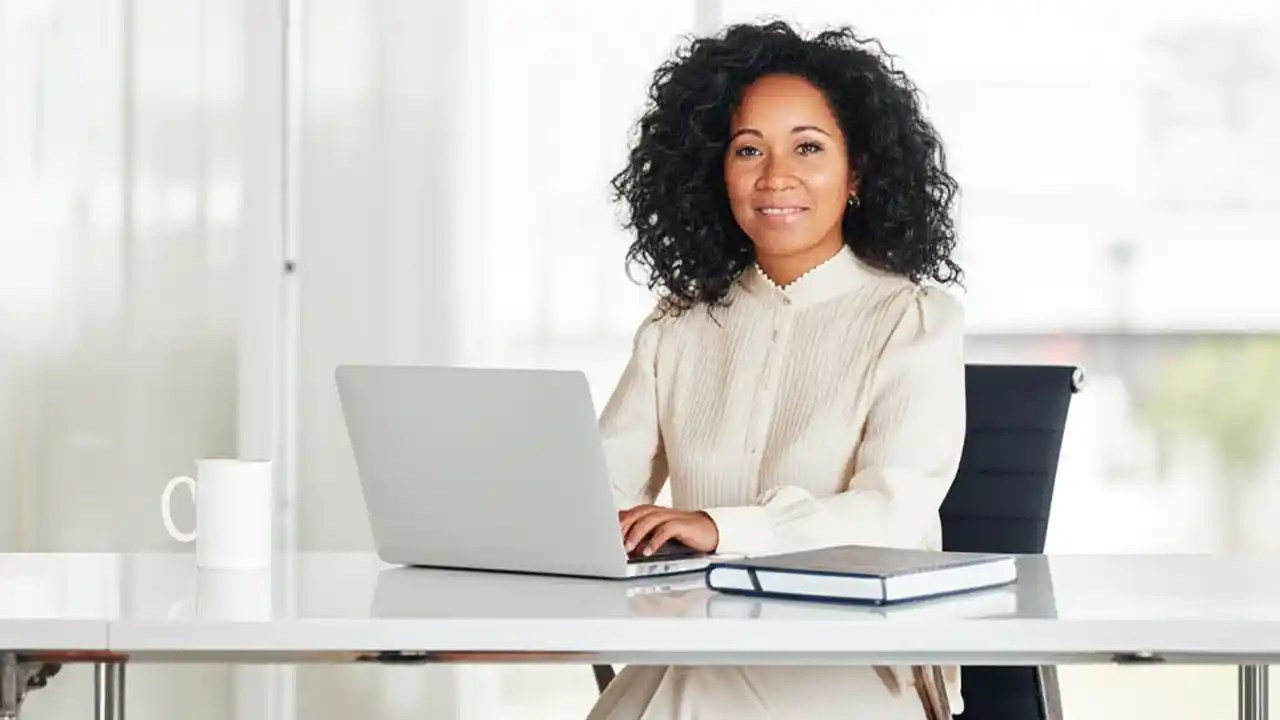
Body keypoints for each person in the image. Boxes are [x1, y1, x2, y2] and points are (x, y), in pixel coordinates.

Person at [588, 20, 967, 720]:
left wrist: (719, 528)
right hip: (698, 648)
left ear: (857, 173)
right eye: (748, 149)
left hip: (852, 661)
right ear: (716, 170)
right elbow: (599, 489)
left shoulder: (914, 320)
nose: (775, 176)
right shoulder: (677, 324)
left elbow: (890, 513)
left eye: (809, 147)